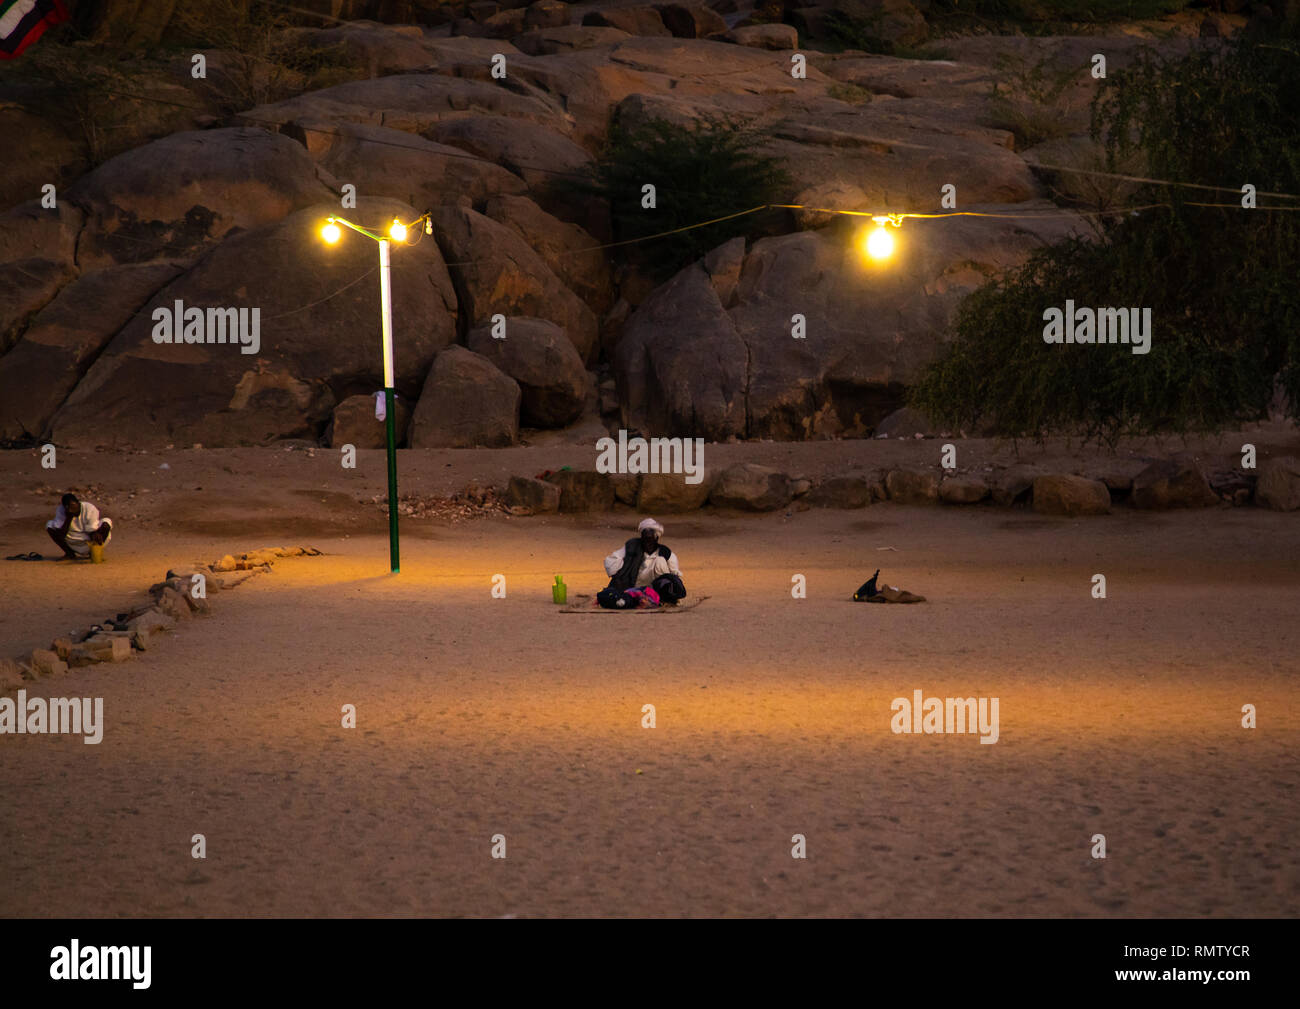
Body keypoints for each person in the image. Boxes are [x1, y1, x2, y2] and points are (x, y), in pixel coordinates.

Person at [603, 517, 682, 592]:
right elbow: (611, 560)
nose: (647, 542)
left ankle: (663, 594)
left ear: (656, 538)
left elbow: (674, 573)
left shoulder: (665, 552)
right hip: (634, 584)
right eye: (645, 538)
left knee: (660, 561)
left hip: (655, 586)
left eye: (650, 538)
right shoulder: (632, 546)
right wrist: (619, 577)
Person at [46, 493, 112, 560]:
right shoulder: (61, 510)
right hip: (73, 539)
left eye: (72, 505)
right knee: (50, 525)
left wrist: (96, 534)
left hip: (90, 539)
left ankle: (94, 553)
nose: (70, 509)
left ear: (78, 503)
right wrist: (69, 518)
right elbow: (61, 535)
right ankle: (70, 554)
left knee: (106, 523)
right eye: (67, 507)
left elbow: (92, 530)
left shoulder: (89, 508)